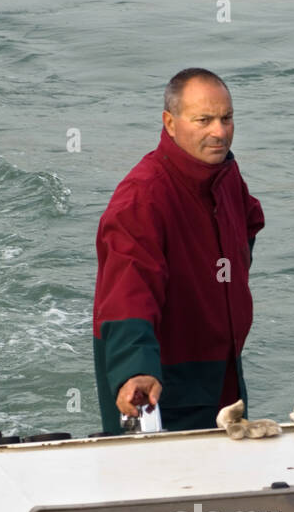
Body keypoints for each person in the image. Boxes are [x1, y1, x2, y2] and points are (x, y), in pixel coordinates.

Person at [92, 68, 264, 433]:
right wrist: (134, 369)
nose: (219, 132)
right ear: (170, 123)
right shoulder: (141, 198)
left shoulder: (225, 174)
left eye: (226, 118)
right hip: (158, 387)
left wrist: (218, 289)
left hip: (224, 376)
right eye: (203, 120)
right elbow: (127, 293)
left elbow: (250, 220)